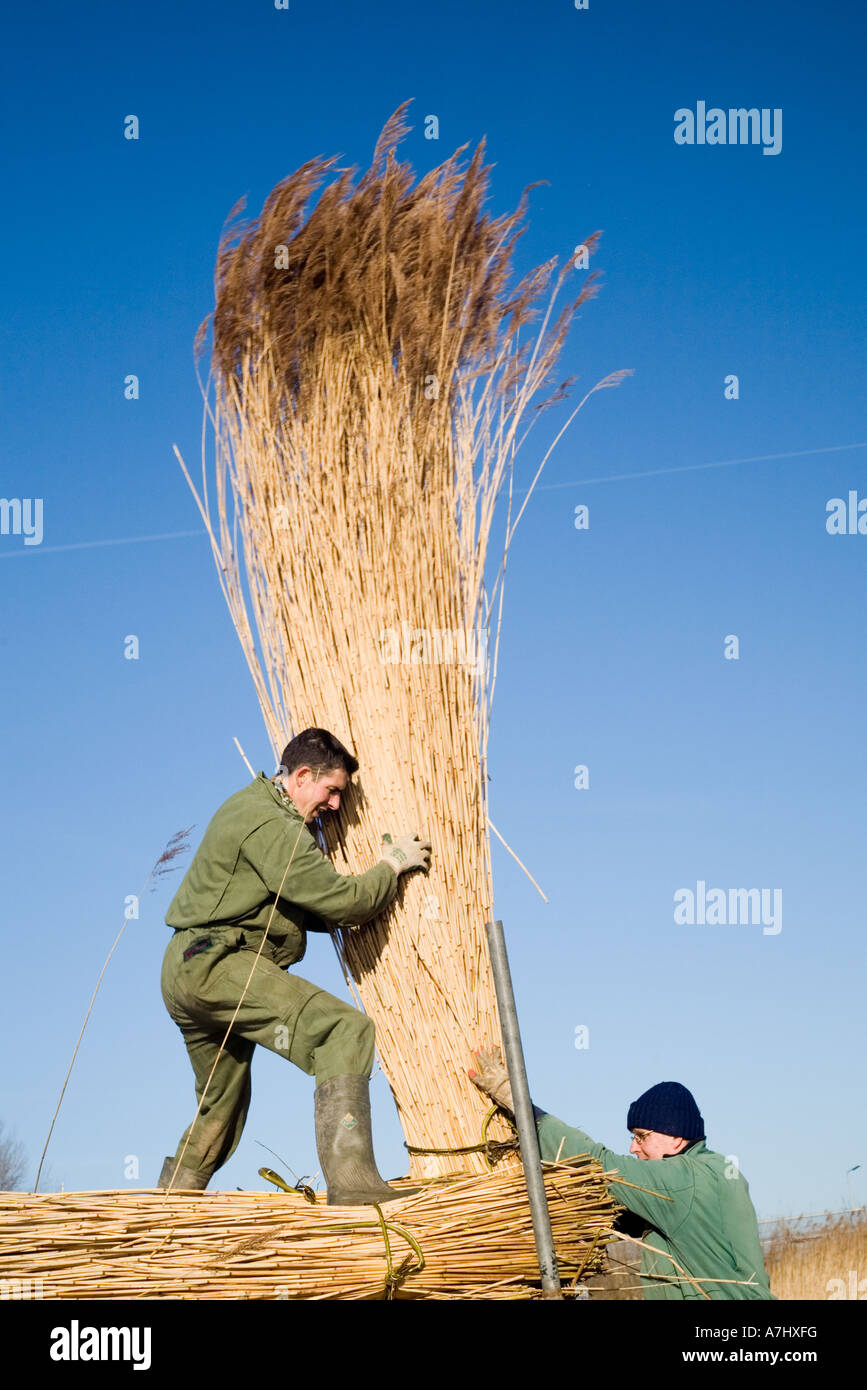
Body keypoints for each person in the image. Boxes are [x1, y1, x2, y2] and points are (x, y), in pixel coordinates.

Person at [158, 726, 431, 1204]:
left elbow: (305, 908)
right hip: (218, 964)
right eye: (332, 791)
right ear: (303, 776)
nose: (334, 806)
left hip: (185, 970)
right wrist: (390, 866)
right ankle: (355, 1189)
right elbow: (342, 903)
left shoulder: (252, 809)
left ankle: (171, 1208)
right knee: (343, 1032)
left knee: (222, 1101)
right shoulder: (274, 827)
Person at [469, 1049, 776, 1300]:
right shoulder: (712, 1174)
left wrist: (518, 1104)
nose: (633, 1147)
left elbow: (598, 1165)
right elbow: (626, 1218)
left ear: (677, 1138)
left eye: (641, 1136)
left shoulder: (684, 1179)